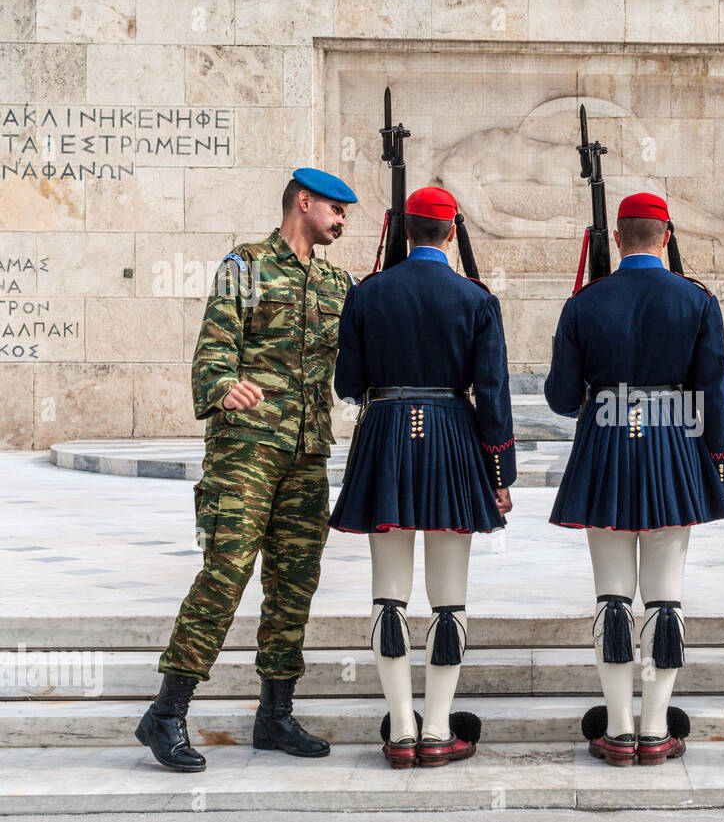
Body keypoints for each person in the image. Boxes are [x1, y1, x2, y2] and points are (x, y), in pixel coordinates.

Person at [137, 168, 357, 772]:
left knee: (294, 584)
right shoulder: (246, 264)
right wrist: (223, 385)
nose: (343, 220)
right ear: (303, 202)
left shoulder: (340, 282)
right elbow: (215, 342)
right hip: (246, 449)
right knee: (226, 573)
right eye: (336, 208)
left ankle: (274, 715)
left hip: (307, 450)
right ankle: (166, 712)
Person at [329, 186, 514, 768]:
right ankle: (437, 730)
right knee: (448, 601)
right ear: (451, 232)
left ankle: (401, 731)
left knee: (388, 595)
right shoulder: (476, 299)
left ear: (405, 231)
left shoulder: (368, 293)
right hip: (454, 439)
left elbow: (347, 384)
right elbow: (493, 394)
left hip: (385, 433)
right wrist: (499, 471)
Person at [546, 192, 724, 766]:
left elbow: (559, 397)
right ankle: (655, 729)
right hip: (674, 443)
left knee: (611, 596)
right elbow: (713, 389)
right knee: (666, 596)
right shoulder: (696, 299)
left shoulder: (586, 301)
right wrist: (716, 461)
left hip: (605, 443)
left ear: (617, 239)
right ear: (667, 234)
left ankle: (618, 729)